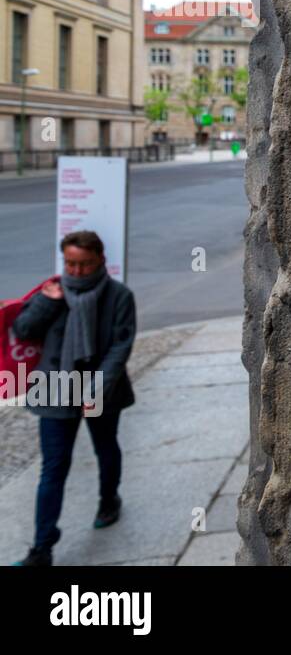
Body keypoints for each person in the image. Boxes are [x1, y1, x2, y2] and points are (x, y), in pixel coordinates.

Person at [11, 230, 137, 566]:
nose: (77, 271)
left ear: (100, 261)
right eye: (70, 263)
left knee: (106, 449)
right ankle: (42, 547)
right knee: (53, 468)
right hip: (55, 388)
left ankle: (109, 499)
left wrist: (97, 387)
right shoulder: (51, 291)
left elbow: (119, 347)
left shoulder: (119, 296)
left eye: (84, 264)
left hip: (100, 390)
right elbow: (23, 330)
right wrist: (46, 301)